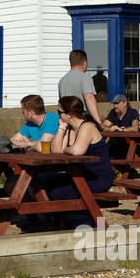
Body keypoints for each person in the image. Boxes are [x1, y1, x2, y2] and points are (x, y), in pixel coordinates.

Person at [39, 95, 114, 229]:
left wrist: (66, 149)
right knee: (43, 182)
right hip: (80, 175)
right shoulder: (70, 128)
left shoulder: (87, 127)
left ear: (69, 114)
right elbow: (57, 150)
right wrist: (61, 128)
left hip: (97, 177)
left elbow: (76, 151)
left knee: (59, 193)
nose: (58, 116)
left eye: (59, 113)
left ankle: (86, 225)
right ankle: (56, 223)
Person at [57, 50, 102, 125]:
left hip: (67, 121)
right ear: (85, 63)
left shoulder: (62, 81)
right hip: (81, 120)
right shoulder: (85, 77)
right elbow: (89, 99)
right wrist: (99, 123)